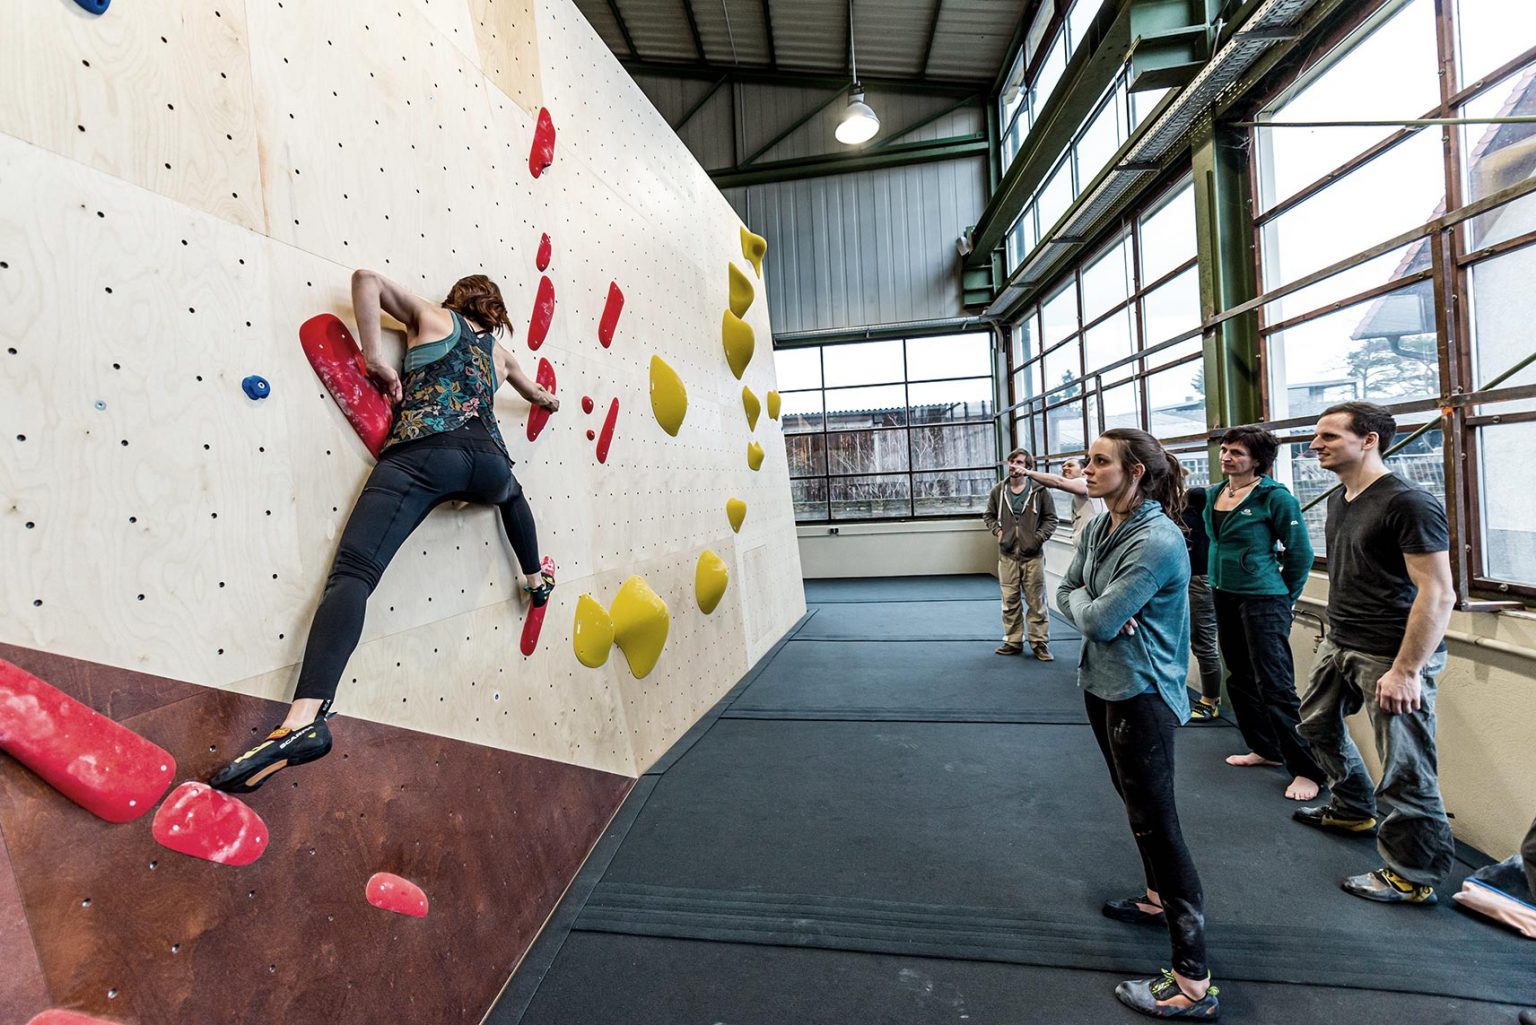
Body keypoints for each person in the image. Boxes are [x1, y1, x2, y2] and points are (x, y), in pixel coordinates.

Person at [210, 270, 560, 793]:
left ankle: (303, 721)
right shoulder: (503, 357)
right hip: (489, 464)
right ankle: (536, 580)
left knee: (354, 575)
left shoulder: (433, 316)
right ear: (496, 311)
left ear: (455, 298)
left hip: (424, 453)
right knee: (512, 495)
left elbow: (366, 280)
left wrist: (375, 357)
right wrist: (546, 402)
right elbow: (541, 396)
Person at [1058, 428, 1219, 1019]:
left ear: (1136, 474)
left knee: (1157, 823)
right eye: (1089, 460)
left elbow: (1098, 617)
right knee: (1133, 804)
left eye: (1100, 462)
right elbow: (1070, 594)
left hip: (1143, 693)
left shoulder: (1156, 539)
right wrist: (1090, 608)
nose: (1088, 469)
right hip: (1102, 683)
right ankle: (1156, 899)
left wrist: (1092, 609)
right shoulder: (1102, 526)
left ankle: (1193, 983)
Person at [1295, 402, 1457, 905]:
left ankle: (1413, 875)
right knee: (1315, 724)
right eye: (1315, 436)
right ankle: (1351, 807)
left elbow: (1438, 592)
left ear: (1369, 440)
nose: (1314, 445)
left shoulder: (1407, 502)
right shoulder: (1342, 497)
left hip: (1391, 655)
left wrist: (1407, 671)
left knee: (1404, 768)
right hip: (1342, 640)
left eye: (1327, 436)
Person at [1204, 427, 1323, 800]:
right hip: (1224, 593)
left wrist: (1285, 598)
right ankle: (1266, 749)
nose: (1226, 457)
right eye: (1224, 450)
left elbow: (1300, 553)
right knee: (1238, 676)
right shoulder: (1214, 494)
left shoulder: (1276, 497)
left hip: (1264, 599)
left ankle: (1307, 769)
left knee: (1274, 684)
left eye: (1236, 452)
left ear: (1257, 460)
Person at [984, 449, 1058, 661]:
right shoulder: (999, 490)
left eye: (1019, 462)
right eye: (1012, 461)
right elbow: (988, 515)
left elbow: (1051, 519)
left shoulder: (1039, 491)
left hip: (1032, 555)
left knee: (1037, 601)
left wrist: (1038, 538)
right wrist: (998, 532)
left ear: (1027, 467)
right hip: (1007, 554)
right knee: (1010, 600)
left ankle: (1039, 643)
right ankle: (1013, 641)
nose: (1014, 465)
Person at [1182, 487, 1223, 722]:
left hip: (1199, 580)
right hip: (1192, 578)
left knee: (1203, 642)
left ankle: (1210, 701)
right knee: (1200, 642)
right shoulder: (1201, 519)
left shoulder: (1196, 520)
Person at [1025, 456, 1105, 550]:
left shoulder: (1084, 482)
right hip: (1085, 547)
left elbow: (1058, 482)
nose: (1065, 468)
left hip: (1092, 547)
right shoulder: (1079, 491)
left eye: (1070, 465)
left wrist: (1028, 472)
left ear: (1084, 471)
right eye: (1063, 466)